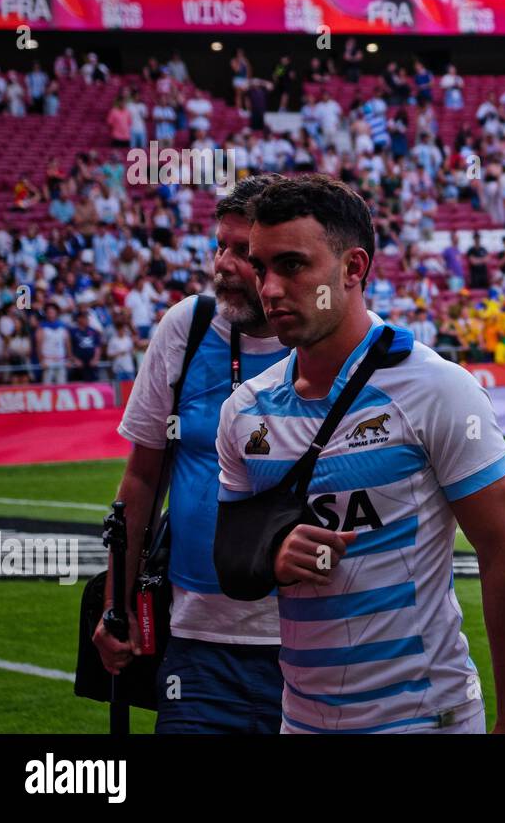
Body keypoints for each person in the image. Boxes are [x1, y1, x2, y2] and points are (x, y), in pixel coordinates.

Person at [216, 174, 505, 733]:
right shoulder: (245, 409)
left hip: (424, 717)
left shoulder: (438, 389)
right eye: (261, 266)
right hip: (300, 719)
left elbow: (503, 553)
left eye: (292, 266)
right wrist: (271, 552)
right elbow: (232, 554)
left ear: (353, 268)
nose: (268, 289)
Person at [92, 174, 293, 733]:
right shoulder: (187, 326)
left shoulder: (326, 342)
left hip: (311, 641)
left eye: (242, 252)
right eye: (219, 246)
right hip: (197, 643)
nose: (222, 264)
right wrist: (118, 602)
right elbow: (142, 478)